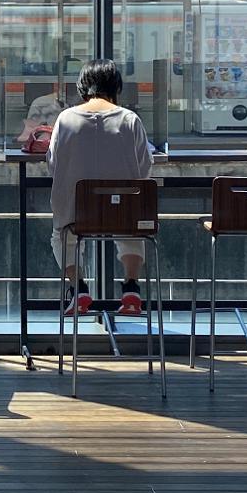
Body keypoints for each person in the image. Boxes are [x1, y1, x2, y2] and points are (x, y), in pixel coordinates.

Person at [47, 59, 154, 322]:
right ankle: (131, 289)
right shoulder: (130, 119)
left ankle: (79, 289)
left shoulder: (66, 119)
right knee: (132, 228)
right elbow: (144, 168)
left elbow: (53, 163)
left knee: (62, 236)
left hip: (78, 216)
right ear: (116, 86)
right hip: (122, 213)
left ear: (82, 86)